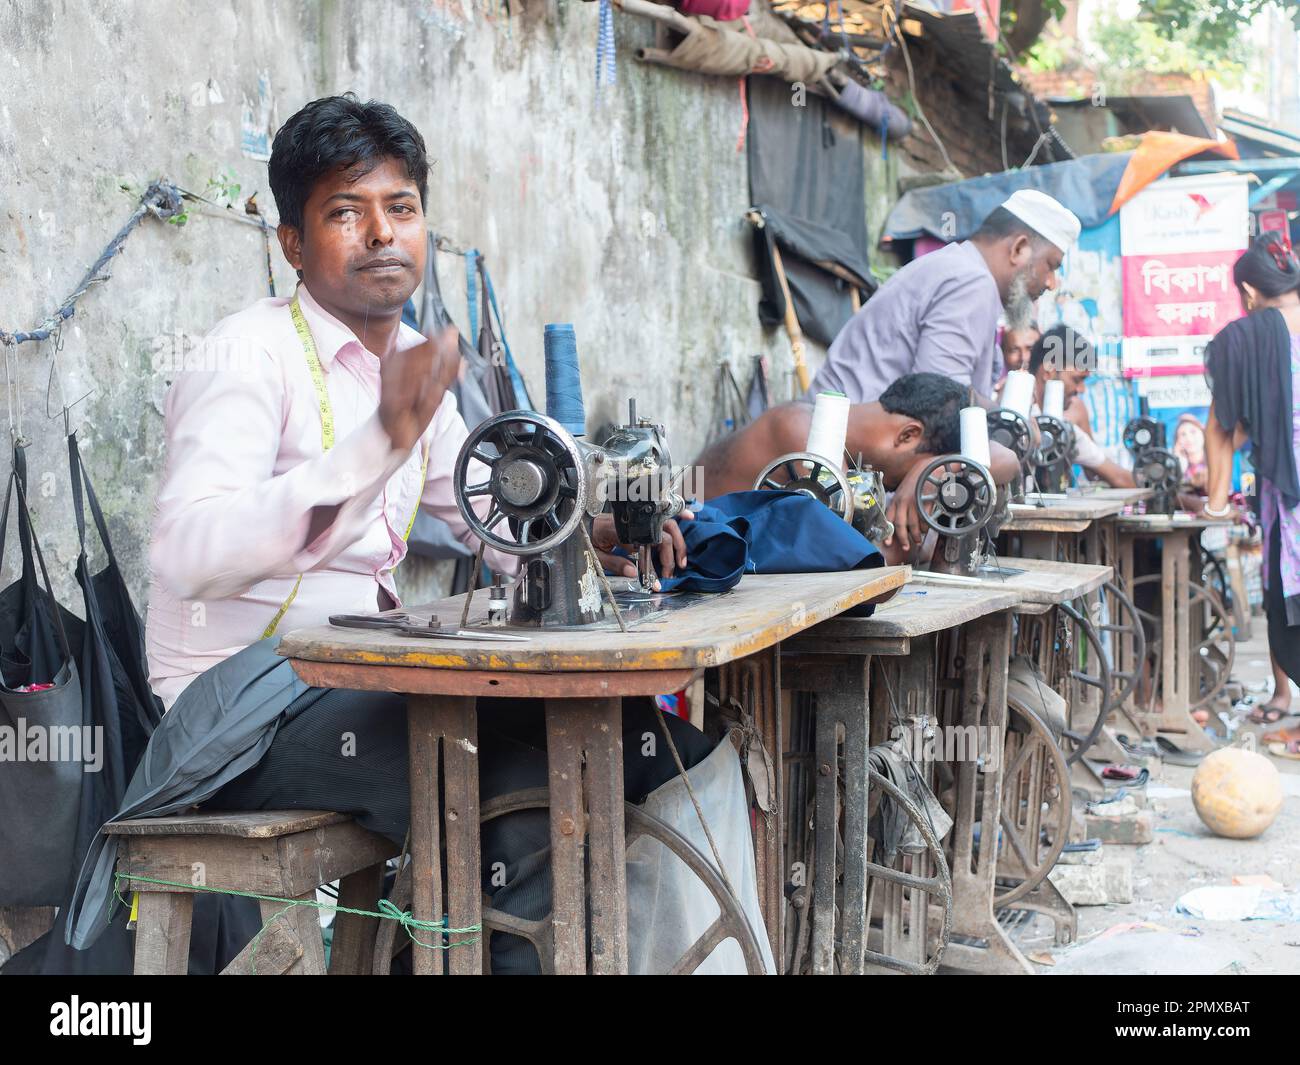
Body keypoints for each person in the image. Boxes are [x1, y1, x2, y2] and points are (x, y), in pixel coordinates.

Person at [695, 373, 1022, 557]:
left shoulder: (831, 436)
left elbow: (1008, 460)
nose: (897, 488)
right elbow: (863, 565)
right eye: (905, 477)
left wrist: (934, 468)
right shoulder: (802, 435)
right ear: (908, 435)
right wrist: (911, 536)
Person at [807, 189, 1080, 407]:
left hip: (850, 433)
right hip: (845, 447)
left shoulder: (962, 269)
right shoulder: (972, 282)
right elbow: (941, 401)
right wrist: (1008, 418)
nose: (1051, 283)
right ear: (1019, 249)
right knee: (1002, 461)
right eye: (1052, 266)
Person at [1203, 232, 1300, 741]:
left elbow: (1223, 427)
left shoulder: (1245, 338)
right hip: (1286, 494)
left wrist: (1215, 505)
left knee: (1291, 604)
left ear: (1247, 292)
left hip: (1291, 498)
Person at [1023, 325, 1135, 488]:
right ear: (1049, 372)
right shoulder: (1013, 417)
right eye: (1077, 380)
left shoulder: (1061, 429)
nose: (1081, 389)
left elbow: (1117, 477)